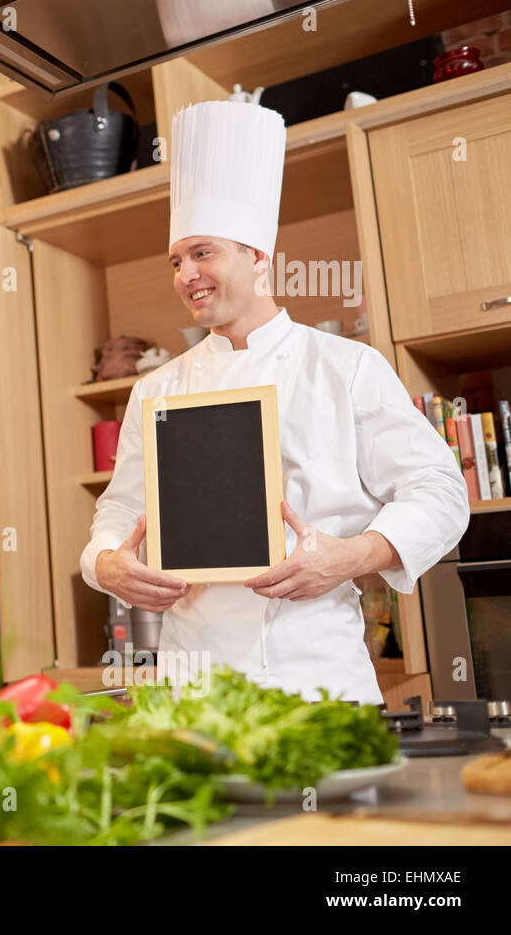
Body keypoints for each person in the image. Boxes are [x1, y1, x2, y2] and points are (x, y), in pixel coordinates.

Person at [79, 100, 469, 704]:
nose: (185, 274)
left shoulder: (346, 366)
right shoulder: (156, 389)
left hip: (315, 674)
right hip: (194, 685)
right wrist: (105, 562)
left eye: (203, 252)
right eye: (176, 261)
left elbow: (441, 494)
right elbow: (121, 509)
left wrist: (348, 557)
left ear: (258, 256)